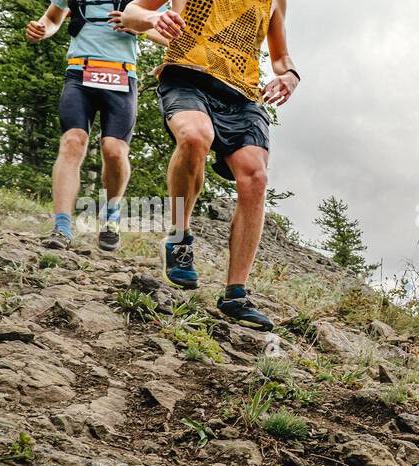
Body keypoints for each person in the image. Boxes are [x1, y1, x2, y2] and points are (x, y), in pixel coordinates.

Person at [120, 0, 299, 331]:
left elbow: (280, 58)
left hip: (242, 95)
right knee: (193, 137)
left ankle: (235, 295)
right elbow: (132, 12)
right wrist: (153, 19)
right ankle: (179, 237)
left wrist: (290, 75)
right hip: (188, 75)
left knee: (255, 177)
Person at [26, 0, 169, 251]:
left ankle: (111, 215)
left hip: (122, 75)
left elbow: (167, 32)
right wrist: (41, 28)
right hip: (79, 73)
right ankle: (62, 227)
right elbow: (52, 18)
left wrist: (138, 25)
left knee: (114, 150)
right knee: (72, 142)